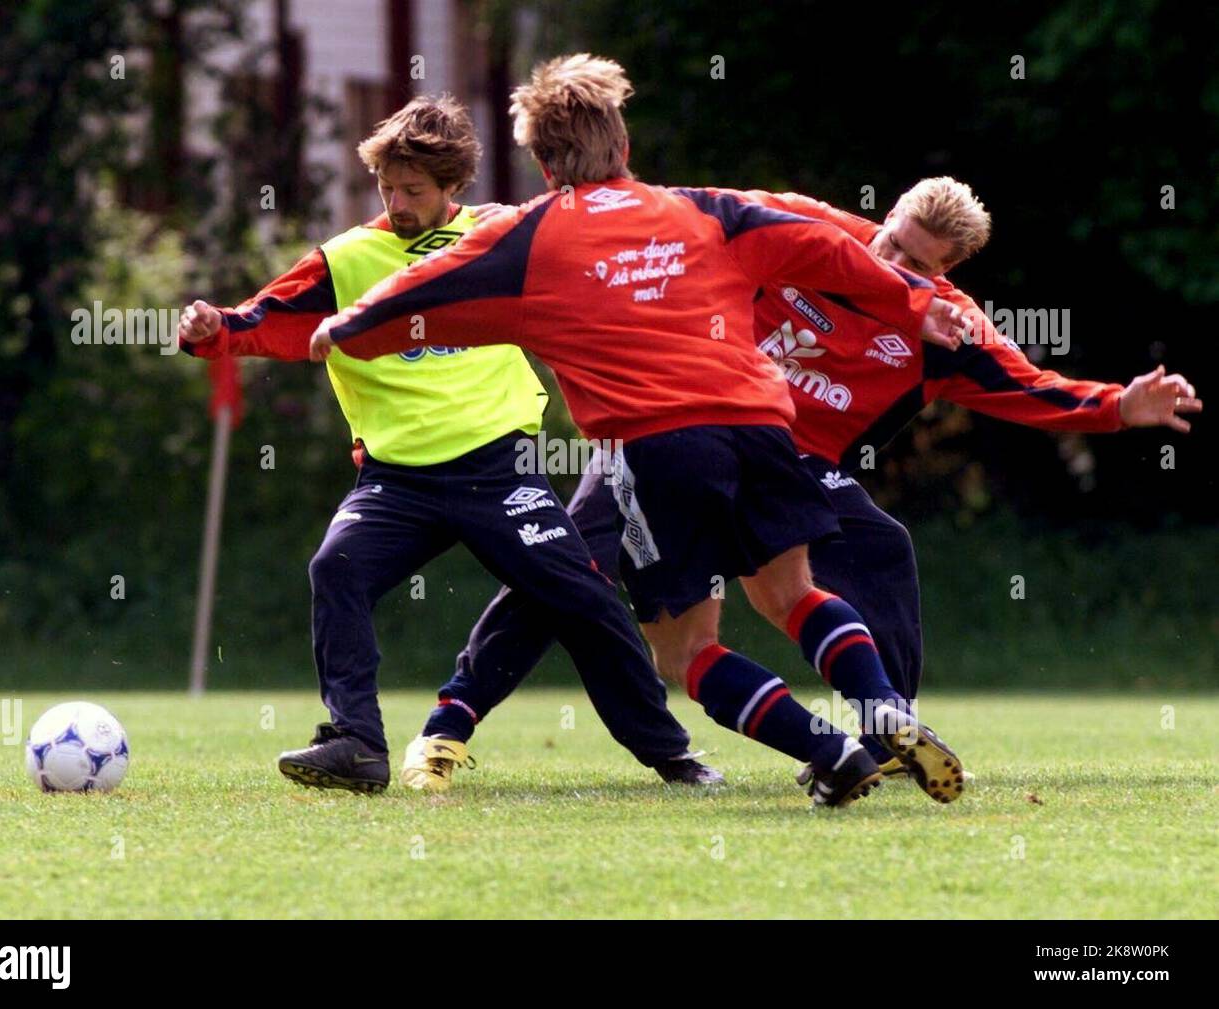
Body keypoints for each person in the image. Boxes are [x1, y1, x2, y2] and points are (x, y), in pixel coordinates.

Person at [311, 54, 971, 807]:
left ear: (542, 161)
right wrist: (915, 302)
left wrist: (352, 323)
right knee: (793, 592)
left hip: (658, 444)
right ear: (623, 147)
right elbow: (822, 245)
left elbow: (429, 279)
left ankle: (835, 752)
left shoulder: (531, 233)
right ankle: (880, 703)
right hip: (762, 423)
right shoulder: (701, 207)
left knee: (684, 649)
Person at [177, 95, 720, 794]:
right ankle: (357, 743)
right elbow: (261, 318)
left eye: (414, 190)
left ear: (452, 186)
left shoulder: (499, 238)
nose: (397, 202)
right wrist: (210, 327)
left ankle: (671, 755)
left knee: (583, 598)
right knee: (336, 567)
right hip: (395, 482)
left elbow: (596, 268)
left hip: (500, 468)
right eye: (388, 187)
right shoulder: (347, 260)